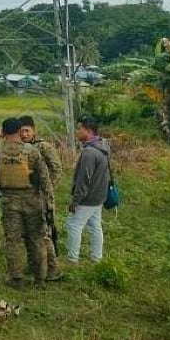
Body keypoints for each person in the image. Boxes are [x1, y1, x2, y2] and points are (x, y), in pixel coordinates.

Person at [0, 117, 52, 288]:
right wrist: (49, 202)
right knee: (37, 239)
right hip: (33, 200)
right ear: (20, 131)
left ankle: (16, 278)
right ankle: (40, 279)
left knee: (13, 240)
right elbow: (45, 179)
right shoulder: (32, 151)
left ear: (3, 132)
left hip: (9, 201)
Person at [19, 115, 63, 281]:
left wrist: (47, 191)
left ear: (33, 130)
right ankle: (34, 264)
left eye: (27, 131)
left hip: (42, 197)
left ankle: (53, 268)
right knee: (27, 233)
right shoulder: (19, 148)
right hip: (25, 196)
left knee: (43, 234)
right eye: (21, 131)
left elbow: (57, 170)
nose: (24, 134)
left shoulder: (43, 147)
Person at [66, 117, 111, 265]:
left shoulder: (89, 152)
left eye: (80, 129)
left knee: (73, 225)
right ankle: (96, 258)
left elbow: (83, 180)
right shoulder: (103, 146)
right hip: (99, 196)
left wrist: (76, 200)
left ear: (88, 131)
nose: (77, 132)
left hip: (87, 198)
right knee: (95, 227)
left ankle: (72, 259)